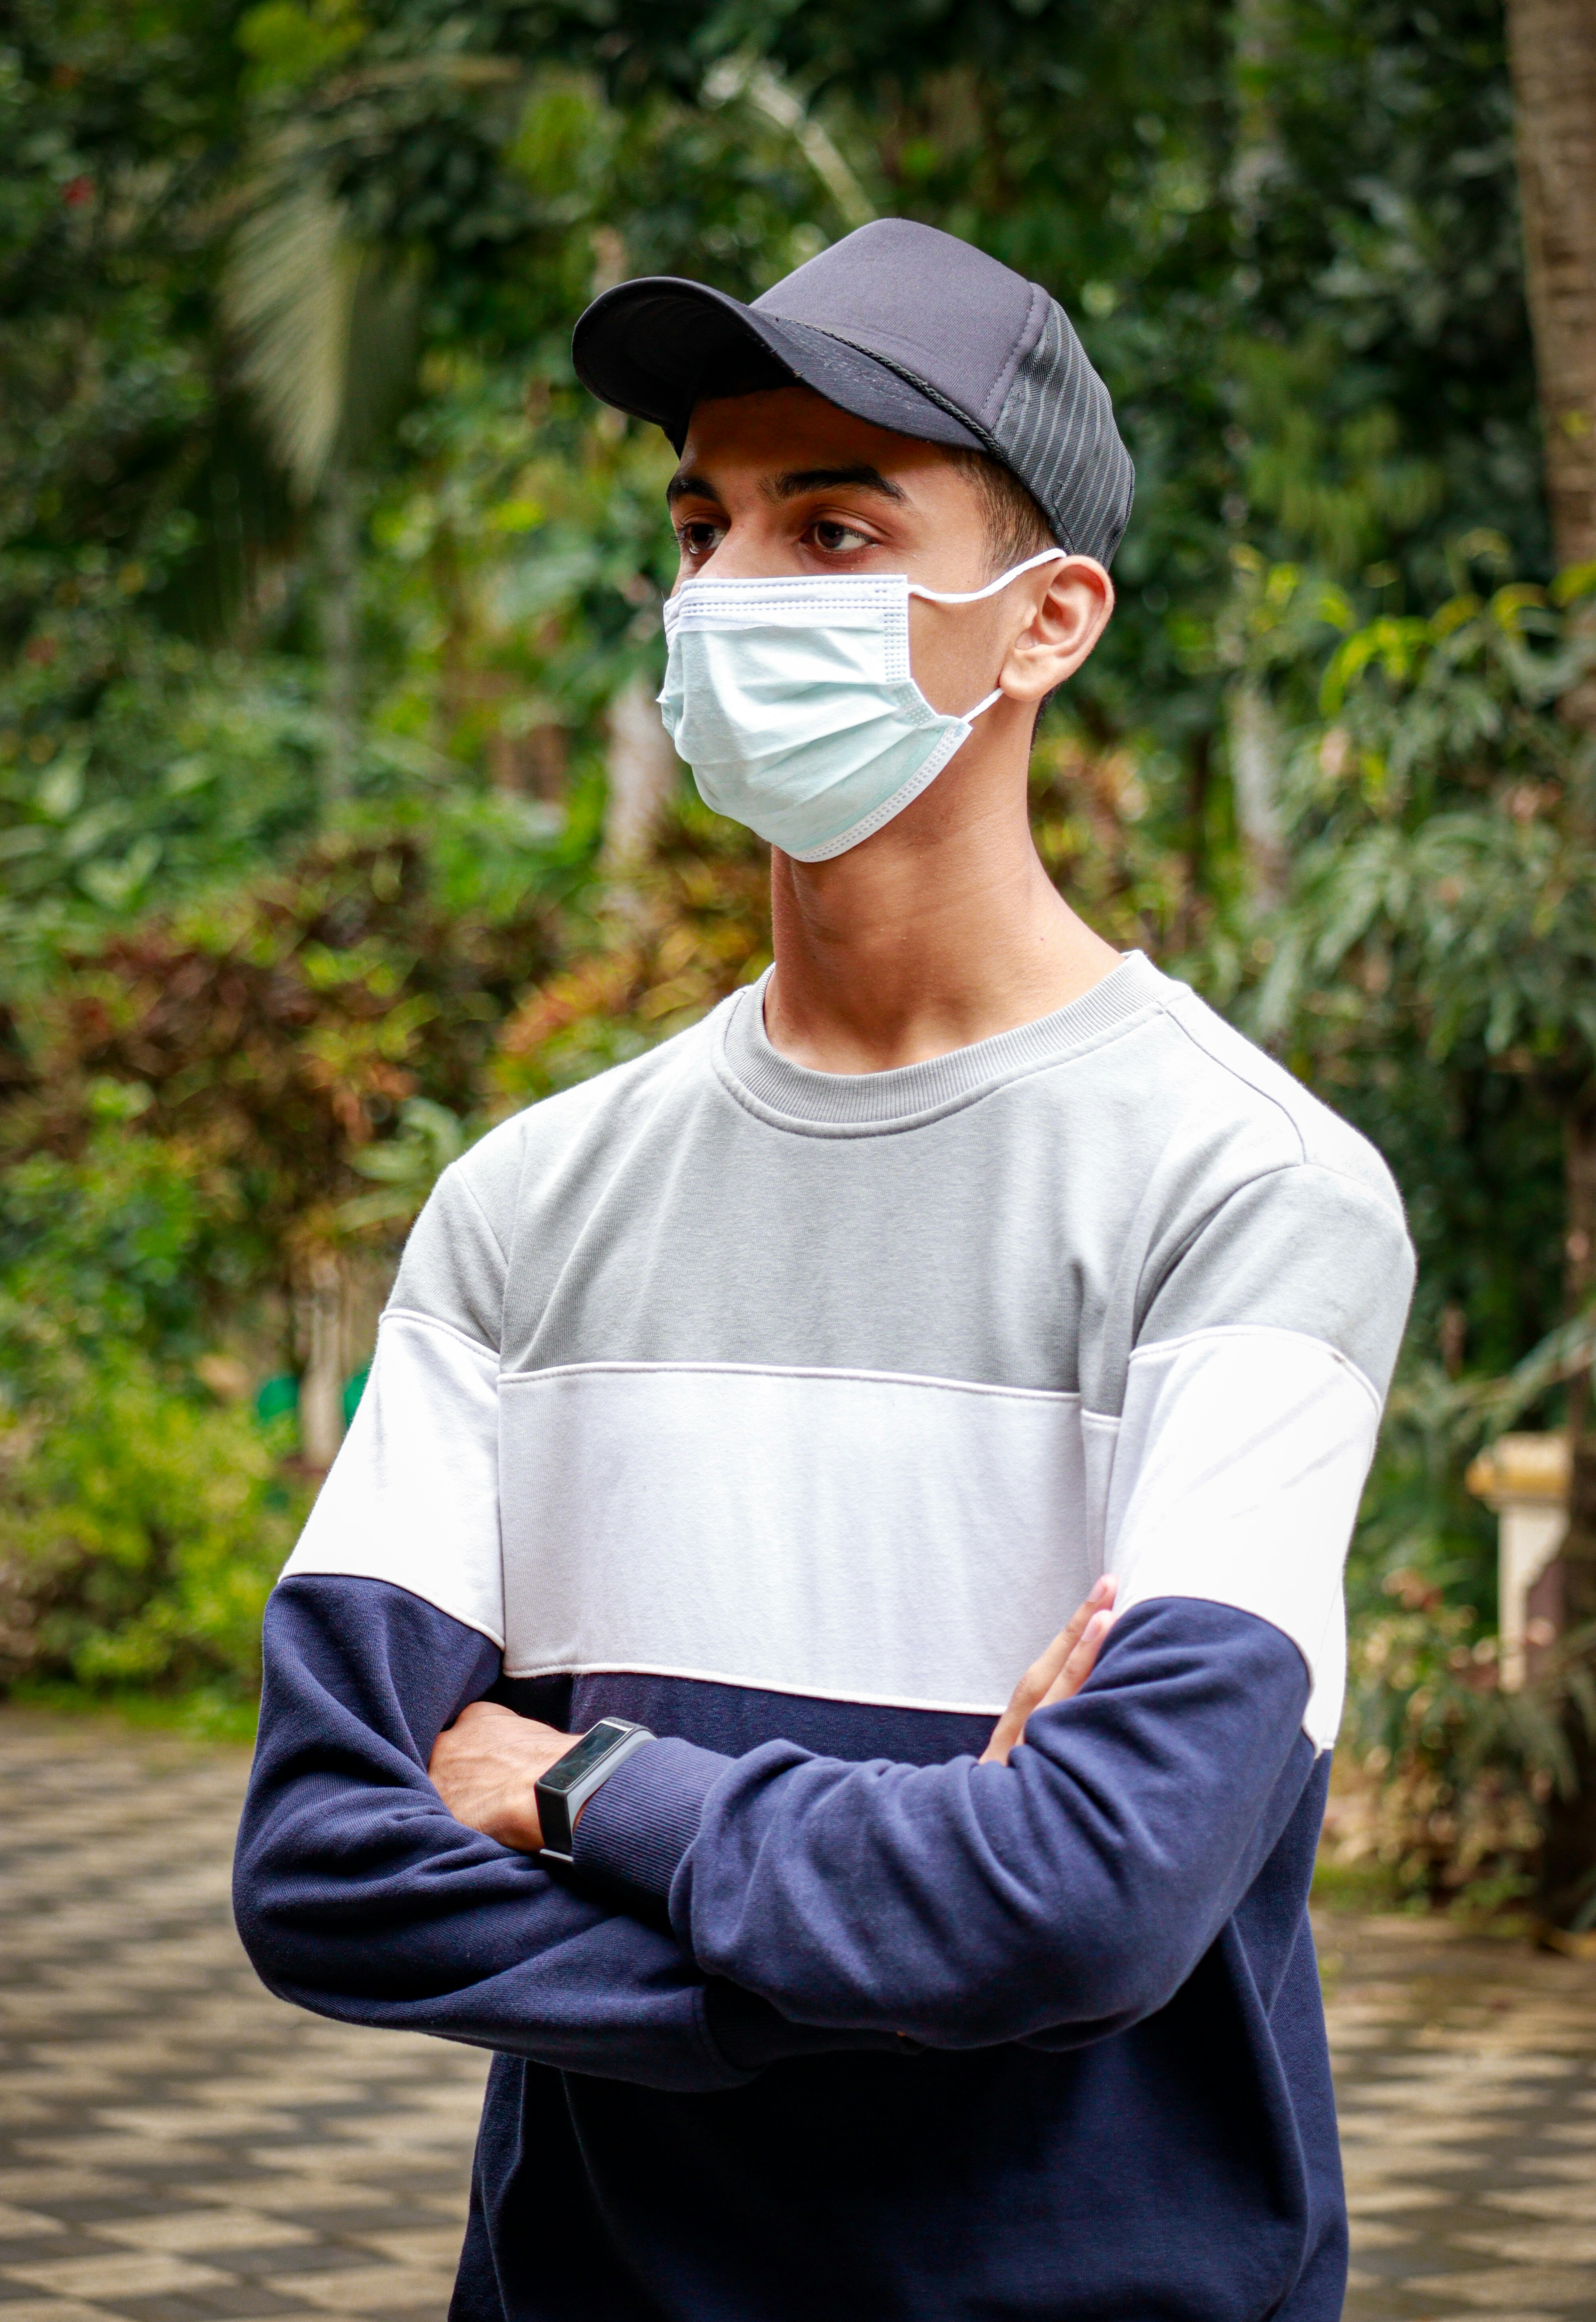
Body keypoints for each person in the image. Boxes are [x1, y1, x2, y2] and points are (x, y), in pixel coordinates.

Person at [235, 219, 1414, 2322]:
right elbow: (326, 1865)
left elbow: (1100, 1896)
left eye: (834, 523)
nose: (726, 595)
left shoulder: (1250, 1203)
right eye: (703, 523)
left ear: (1044, 620)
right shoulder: (527, 1207)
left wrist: (587, 1786)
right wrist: (906, 1940)